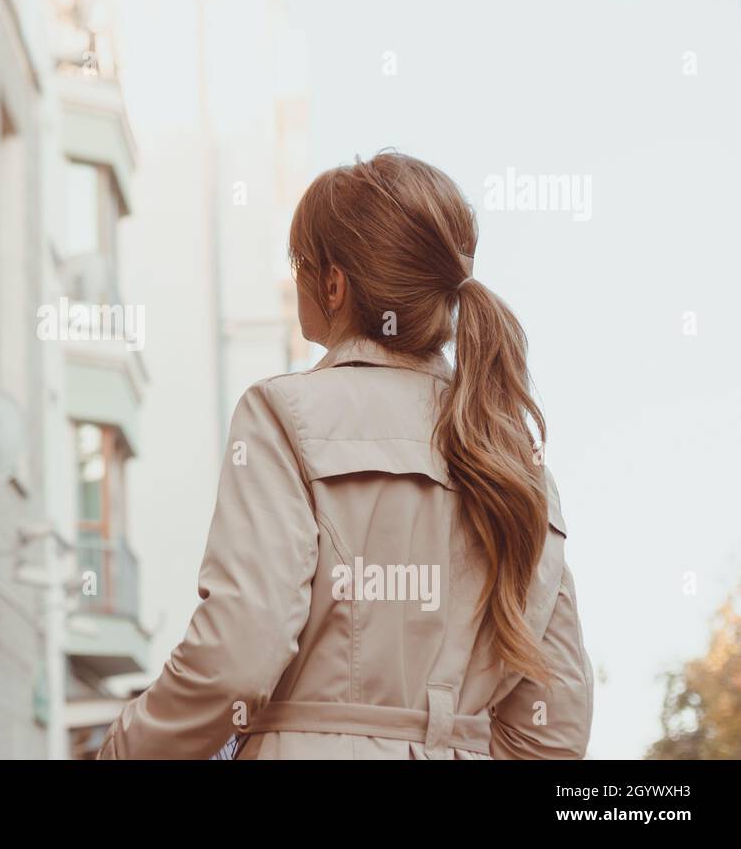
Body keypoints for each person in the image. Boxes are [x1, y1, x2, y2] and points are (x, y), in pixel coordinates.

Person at [97, 152, 593, 760]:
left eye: (298, 264)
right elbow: (554, 726)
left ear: (333, 284)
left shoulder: (284, 414)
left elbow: (237, 657)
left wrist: (123, 748)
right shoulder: (514, 459)